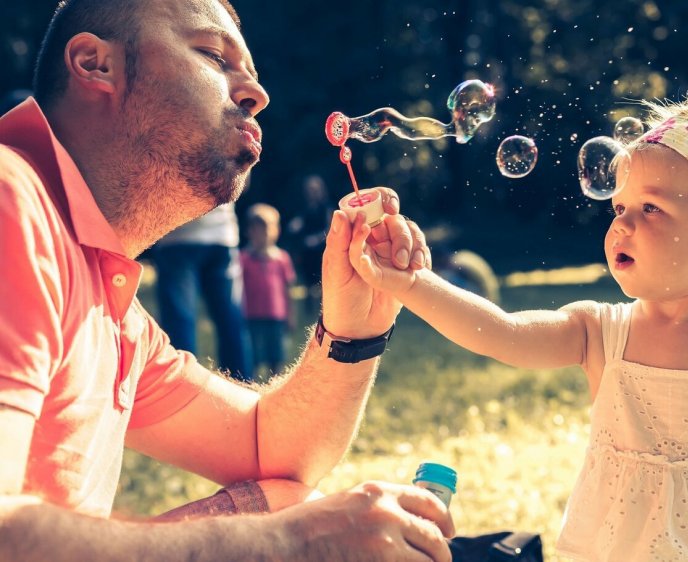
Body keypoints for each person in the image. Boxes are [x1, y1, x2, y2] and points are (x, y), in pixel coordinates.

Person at [0, 0, 453, 560]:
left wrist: (352, 329)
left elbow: (271, 447)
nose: (256, 95)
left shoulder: (106, 295)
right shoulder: (10, 200)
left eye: (255, 78)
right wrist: (294, 542)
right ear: (95, 64)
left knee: (286, 500)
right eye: (215, 57)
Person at [346, 88, 688, 562]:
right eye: (620, 207)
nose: (621, 224)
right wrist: (411, 284)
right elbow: (500, 331)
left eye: (651, 208)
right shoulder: (600, 333)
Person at [152, 202, 254, 381]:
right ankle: (242, 390)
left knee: (180, 322)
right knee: (230, 321)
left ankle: (181, 388)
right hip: (221, 235)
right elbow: (243, 182)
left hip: (177, 236)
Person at [241, 203, 296, 378]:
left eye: (267, 228)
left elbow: (288, 290)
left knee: (277, 357)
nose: (262, 234)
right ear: (249, 231)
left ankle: (276, 388)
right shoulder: (242, 259)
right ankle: (252, 386)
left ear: (276, 230)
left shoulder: (282, 259)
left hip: (277, 318)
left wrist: (291, 315)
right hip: (252, 317)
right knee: (254, 357)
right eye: (257, 229)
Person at [287, 173, 336, 315]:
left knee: (324, 280)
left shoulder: (327, 207)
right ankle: (309, 311)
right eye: (309, 190)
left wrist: (317, 239)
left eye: (315, 190)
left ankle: (325, 310)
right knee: (308, 282)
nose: (312, 193)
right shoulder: (305, 208)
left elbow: (330, 228)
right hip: (307, 251)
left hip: (322, 249)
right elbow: (299, 224)